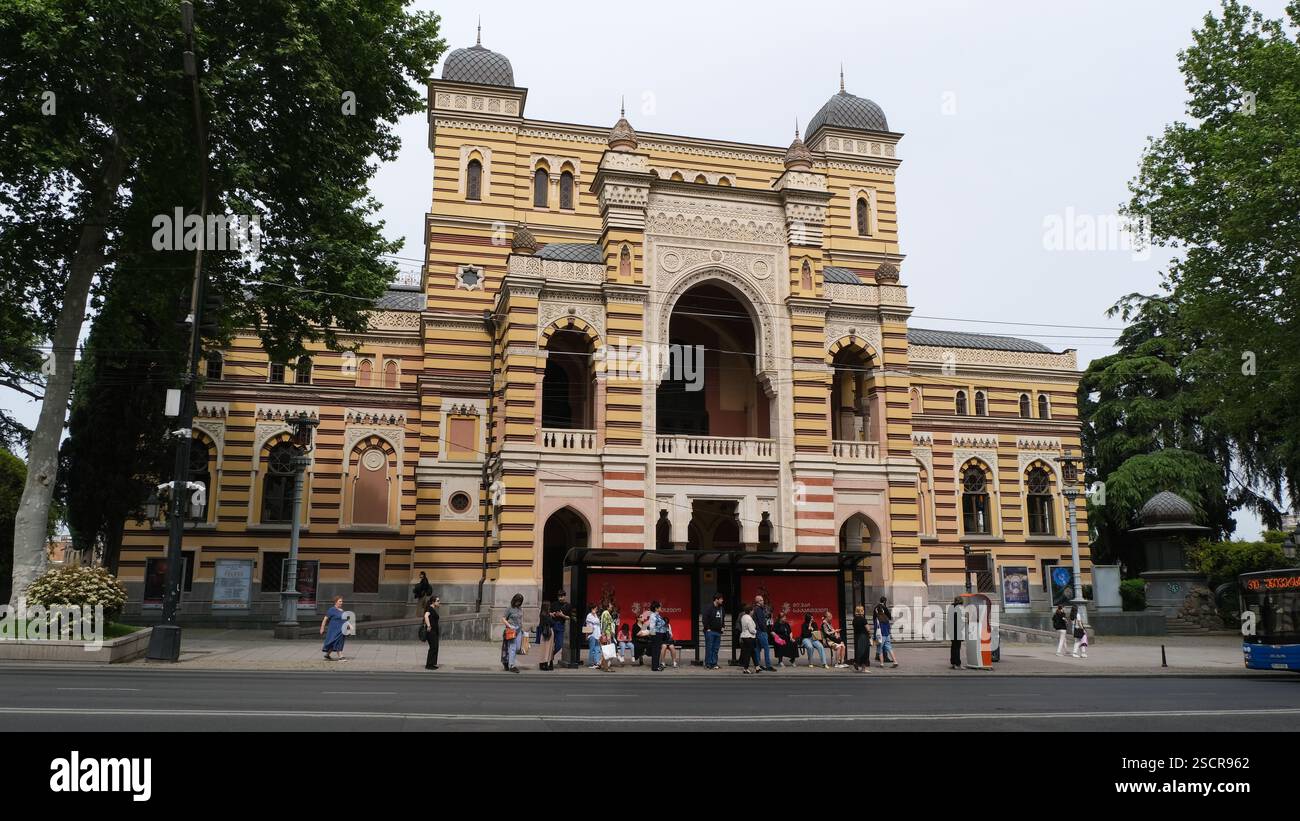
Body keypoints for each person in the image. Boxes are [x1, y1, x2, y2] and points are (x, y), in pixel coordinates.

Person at [501, 593, 524, 673]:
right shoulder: (509, 608)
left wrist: (522, 628)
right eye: (517, 601)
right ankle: (512, 665)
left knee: (517, 648)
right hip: (511, 630)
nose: (518, 603)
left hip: (519, 630)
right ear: (514, 600)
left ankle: (507, 661)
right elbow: (503, 619)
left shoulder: (520, 608)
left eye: (520, 602)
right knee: (513, 647)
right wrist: (509, 626)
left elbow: (521, 619)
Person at [320, 596, 348, 661]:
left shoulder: (342, 610)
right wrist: (322, 628)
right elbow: (325, 619)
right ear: (336, 602)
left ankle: (327, 655)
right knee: (336, 641)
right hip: (333, 629)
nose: (341, 603)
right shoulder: (331, 610)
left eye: (342, 601)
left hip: (341, 630)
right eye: (340, 601)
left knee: (336, 641)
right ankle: (340, 656)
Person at [703, 592, 725, 669]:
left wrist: (723, 626)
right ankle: (708, 663)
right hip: (710, 631)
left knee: (715, 648)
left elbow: (722, 619)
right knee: (709, 648)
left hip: (718, 632)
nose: (722, 600)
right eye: (721, 599)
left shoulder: (721, 608)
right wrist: (708, 628)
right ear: (716, 599)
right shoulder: (708, 607)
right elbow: (705, 619)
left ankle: (714, 663)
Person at [874, 596, 898, 667]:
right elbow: (888, 627)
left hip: (880, 635)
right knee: (889, 648)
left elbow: (876, 628)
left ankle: (881, 663)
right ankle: (895, 661)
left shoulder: (877, 619)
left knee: (880, 649)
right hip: (887, 634)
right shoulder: (886, 618)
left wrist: (874, 637)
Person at [550, 590, 572, 668]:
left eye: (562, 596)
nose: (560, 598)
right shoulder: (554, 604)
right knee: (550, 644)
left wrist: (562, 615)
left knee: (559, 644)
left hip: (561, 626)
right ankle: (550, 660)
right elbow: (548, 612)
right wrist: (552, 614)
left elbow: (569, 617)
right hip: (552, 625)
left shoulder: (568, 606)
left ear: (565, 596)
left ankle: (551, 655)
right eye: (559, 596)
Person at [753, 594, 775, 671]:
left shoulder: (756, 609)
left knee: (758, 649)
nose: (763, 601)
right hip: (761, 632)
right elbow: (761, 621)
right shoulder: (758, 609)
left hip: (758, 632)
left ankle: (758, 665)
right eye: (762, 600)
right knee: (766, 648)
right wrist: (764, 629)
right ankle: (768, 665)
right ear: (758, 601)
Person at [739, 604, 761, 674]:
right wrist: (756, 631)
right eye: (752, 610)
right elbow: (751, 629)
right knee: (748, 653)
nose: (753, 612)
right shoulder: (749, 618)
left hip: (745, 637)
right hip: (749, 637)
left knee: (752, 652)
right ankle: (745, 669)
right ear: (750, 611)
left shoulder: (743, 617)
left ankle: (757, 667)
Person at [535, 600, 555, 671]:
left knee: (543, 649)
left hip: (543, 633)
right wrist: (551, 616)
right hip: (548, 633)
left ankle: (542, 663)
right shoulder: (546, 615)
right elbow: (552, 623)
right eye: (549, 606)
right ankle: (546, 664)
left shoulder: (542, 614)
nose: (550, 607)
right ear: (547, 607)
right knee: (548, 649)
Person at [423, 595, 441, 670]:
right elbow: (426, 616)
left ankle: (433, 663)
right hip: (431, 632)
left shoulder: (432, 609)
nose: (439, 602)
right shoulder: (430, 609)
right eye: (438, 601)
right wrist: (429, 626)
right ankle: (429, 665)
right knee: (433, 647)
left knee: (435, 647)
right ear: (433, 602)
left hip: (434, 632)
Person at [648, 600, 668, 671]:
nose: (661, 608)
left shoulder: (658, 615)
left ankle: (656, 665)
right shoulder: (653, 615)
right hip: (656, 635)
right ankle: (654, 667)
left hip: (659, 635)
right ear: (656, 608)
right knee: (655, 650)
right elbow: (652, 626)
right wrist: (653, 636)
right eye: (659, 607)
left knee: (657, 650)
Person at [599, 601, 618, 672]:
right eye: (610, 606)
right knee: (607, 651)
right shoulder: (606, 613)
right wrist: (605, 634)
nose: (611, 607)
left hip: (607, 633)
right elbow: (605, 624)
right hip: (607, 634)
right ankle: (606, 667)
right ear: (607, 607)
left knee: (605, 650)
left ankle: (602, 664)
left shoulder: (606, 613)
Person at [852, 604, 871, 672]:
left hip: (857, 637)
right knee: (865, 652)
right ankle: (863, 668)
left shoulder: (854, 619)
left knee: (859, 651)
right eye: (863, 610)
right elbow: (868, 629)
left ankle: (857, 662)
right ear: (861, 611)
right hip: (863, 637)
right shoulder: (863, 619)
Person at [584, 603, 602, 669]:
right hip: (592, 635)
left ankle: (597, 662)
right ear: (592, 609)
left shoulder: (595, 615)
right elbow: (596, 621)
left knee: (597, 649)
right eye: (596, 608)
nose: (596, 610)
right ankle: (591, 663)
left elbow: (598, 622)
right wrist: (594, 615)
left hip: (597, 634)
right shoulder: (589, 615)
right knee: (592, 649)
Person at [950, 596, 964, 670]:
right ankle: (957, 664)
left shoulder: (951, 608)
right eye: (961, 603)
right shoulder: (957, 610)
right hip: (957, 631)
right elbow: (957, 622)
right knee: (957, 648)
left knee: (953, 647)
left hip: (952, 631)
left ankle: (953, 663)